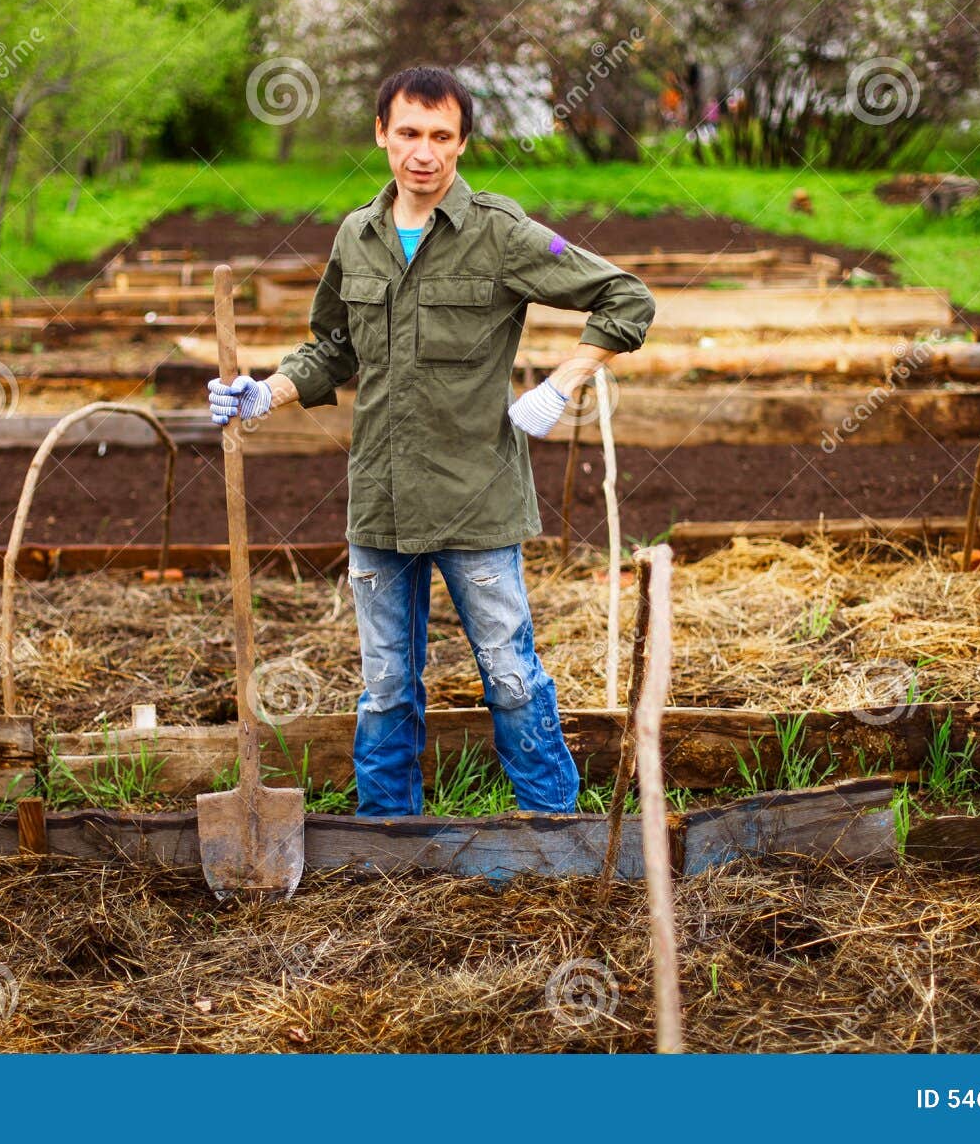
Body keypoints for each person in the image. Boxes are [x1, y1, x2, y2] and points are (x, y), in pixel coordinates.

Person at [206, 64, 655, 816]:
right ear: (381, 134)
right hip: (379, 501)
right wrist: (265, 392)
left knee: (510, 673)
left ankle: (553, 827)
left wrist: (560, 384)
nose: (424, 151)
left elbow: (625, 295)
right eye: (408, 132)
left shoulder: (502, 232)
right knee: (385, 681)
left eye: (441, 136)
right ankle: (388, 839)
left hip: (475, 497)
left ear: (463, 143)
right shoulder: (359, 235)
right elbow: (336, 348)